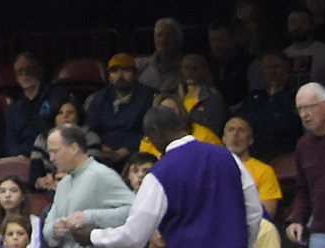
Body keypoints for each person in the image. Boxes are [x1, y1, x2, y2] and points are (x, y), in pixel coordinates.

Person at [72, 105, 263, 248]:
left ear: (154, 132)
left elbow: (134, 235)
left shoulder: (160, 174)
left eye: (148, 137)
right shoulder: (229, 157)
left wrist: (93, 236)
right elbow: (254, 212)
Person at [40, 125, 135, 248]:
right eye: (50, 152)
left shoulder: (101, 175)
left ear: (74, 148)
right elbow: (47, 229)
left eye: (55, 151)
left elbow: (134, 211)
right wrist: (54, 229)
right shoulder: (63, 183)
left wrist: (90, 217)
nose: (51, 158)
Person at [288, 82, 325, 248]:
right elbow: (304, 190)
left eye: (309, 107)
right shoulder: (303, 145)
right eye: (299, 109)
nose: (304, 115)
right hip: (321, 229)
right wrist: (297, 220)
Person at [220, 117, 282, 219]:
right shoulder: (212, 168)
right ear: (223, 138)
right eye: (231, 129)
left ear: (250, 140)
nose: (235, 134)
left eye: (241, 130)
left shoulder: (264, 171)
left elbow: (268, 213)